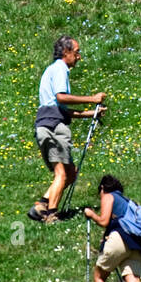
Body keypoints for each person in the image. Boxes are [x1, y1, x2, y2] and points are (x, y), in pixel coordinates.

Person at [28, 36, 106, 226]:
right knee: (61, 174)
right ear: (66, 53)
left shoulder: (52, 71)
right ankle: (51, 214)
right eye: (77, 52)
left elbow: (61, 109)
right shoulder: (60, 69)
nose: (79, 57)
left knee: (71, 172)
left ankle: (41, 205)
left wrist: (90, 114)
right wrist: (92, 99)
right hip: (54, 128)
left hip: (48, 123)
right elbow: (61, 98)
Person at [84, 175, 141, 282]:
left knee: (99, 276)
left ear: (102, 188)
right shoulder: (128, 202)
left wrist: (91, 214)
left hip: (120, 240)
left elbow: (104, 221)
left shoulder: (108, 195)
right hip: (137, 244)